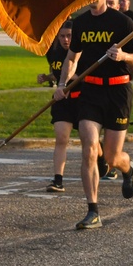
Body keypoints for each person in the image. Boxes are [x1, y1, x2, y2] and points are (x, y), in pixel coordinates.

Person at [54, 0, 133, 229]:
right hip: (91, 91)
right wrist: (62, 84)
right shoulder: (82, 23)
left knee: (112, 157)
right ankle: (92, 210)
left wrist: (123, 55)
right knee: (89, 148)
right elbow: (72, 57)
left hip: (118, 91)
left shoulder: (121, 22)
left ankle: (127, 167)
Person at [39, 21, 77, 193]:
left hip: (82, 99)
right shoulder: (53, 52)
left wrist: (73, 78)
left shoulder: (81, 51)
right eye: (62, 36)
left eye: (69, 35)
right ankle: (58, 180)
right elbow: (56, 73)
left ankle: (101, 161)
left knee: (89, 140)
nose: (66, 39)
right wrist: (47, 78)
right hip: (62, 99)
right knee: (61, 138)